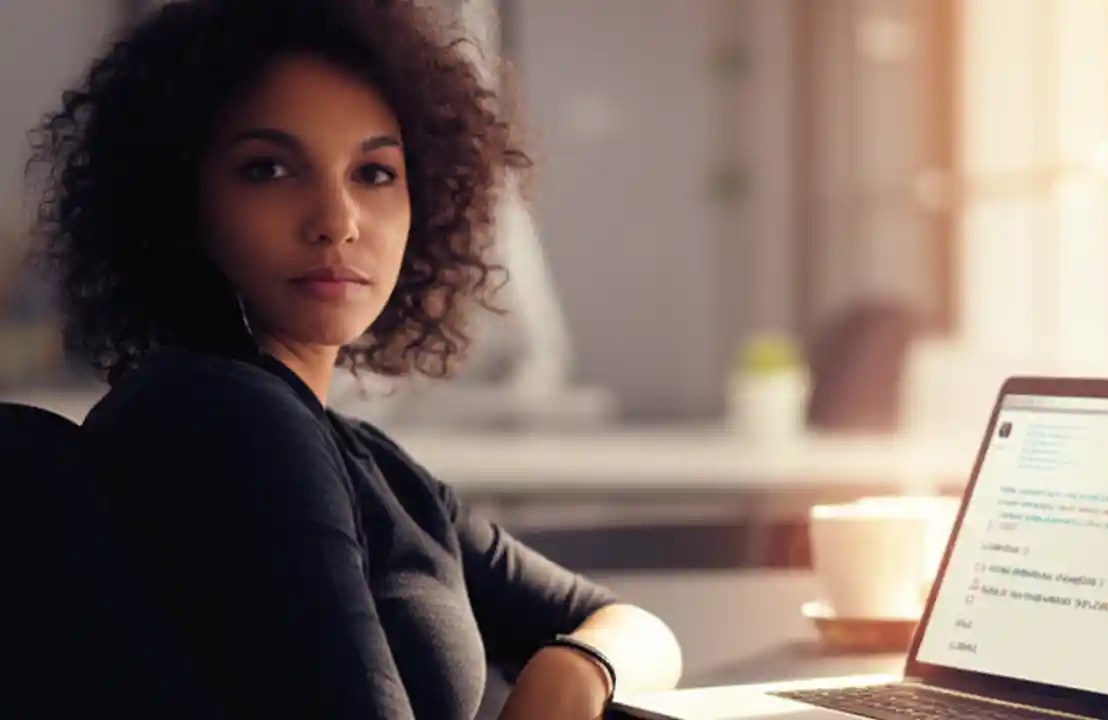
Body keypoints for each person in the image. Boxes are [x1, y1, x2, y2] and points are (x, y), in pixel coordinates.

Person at [25, 1, 682, 718]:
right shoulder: (221, 414)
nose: (337, 221)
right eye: (269, 168)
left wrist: (576, 667)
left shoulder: (375, 464)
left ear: (424, 201)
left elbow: (630, 623)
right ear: (179, 201)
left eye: (373, 172)